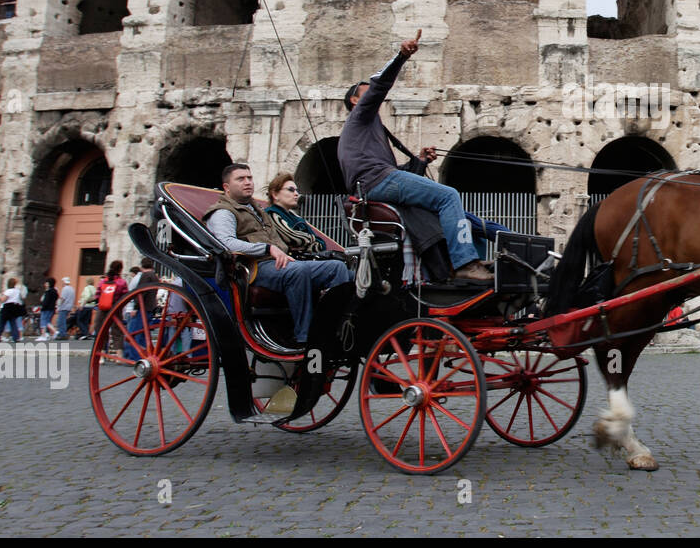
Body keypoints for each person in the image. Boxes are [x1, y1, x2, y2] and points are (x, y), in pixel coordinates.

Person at [338, 30, 493, 283]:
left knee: (445, 204)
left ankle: (456, 260)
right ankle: (464, 262)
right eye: (366, 94)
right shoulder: (360, 116)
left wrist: (419, 162)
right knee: (448, 195)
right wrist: (400, 57)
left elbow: (393, 172)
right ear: (355, 101)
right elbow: (380, 85)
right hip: (375, 182)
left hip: (377, 181)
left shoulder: (369, 128)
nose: (374, 98)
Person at [204, 163, 351, 348]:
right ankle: (305, 337)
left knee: (336, 267)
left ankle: (336, 327)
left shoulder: (256, 209)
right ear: (226, 187)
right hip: (254, 268)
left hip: (280, 262)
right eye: (240, 179)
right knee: (297, 271)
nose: (248, 182)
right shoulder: (223, 212)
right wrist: (266, 248)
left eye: (249, 178)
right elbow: (226, 243)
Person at [264, 173, 327, 255]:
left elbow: (322, 244)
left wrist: (306, 242)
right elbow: (293, 239)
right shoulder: (271, 214)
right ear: (275, 194)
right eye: (291, 190)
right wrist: (312, 239)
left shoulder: (297, 217)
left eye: (297, 190)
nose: (296, 193)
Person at [0, 277, 24, 344]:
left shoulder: (8, 291)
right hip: (14, 308)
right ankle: (16, 337)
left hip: (6, 308)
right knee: (13, 323)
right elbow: (21, 298)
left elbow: (3, 300)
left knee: (2, 324)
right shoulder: (17, 291)